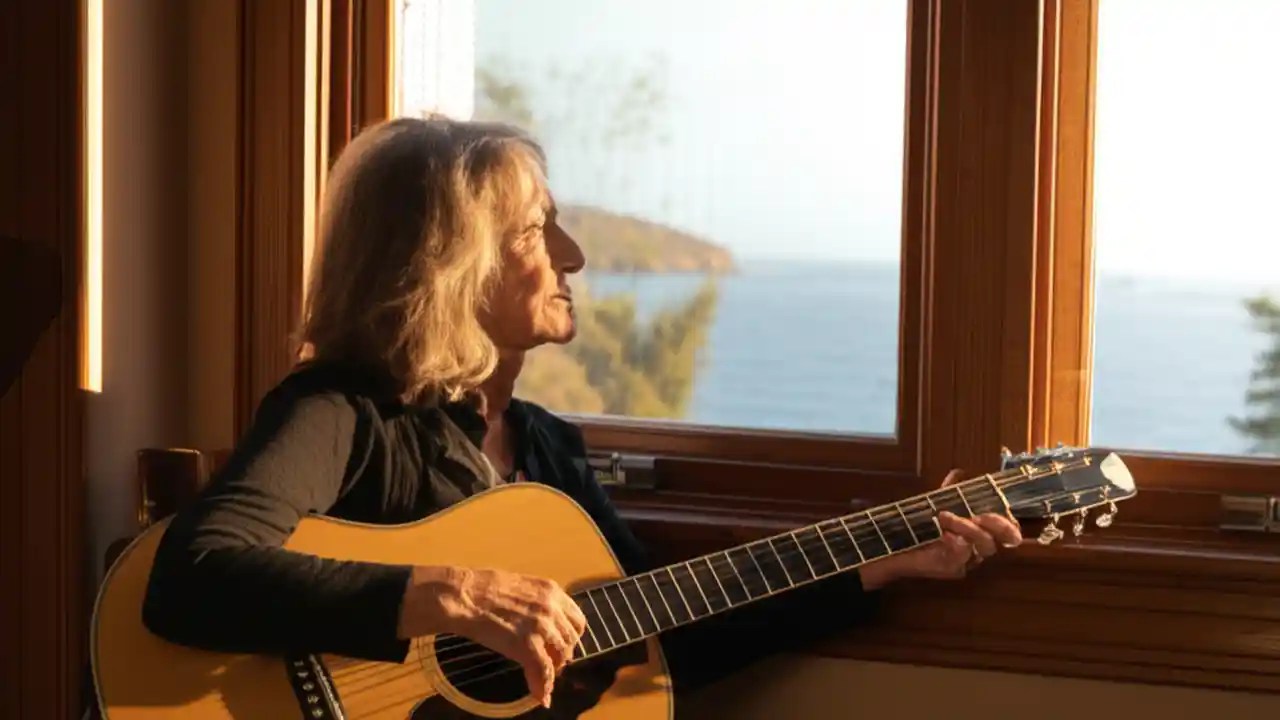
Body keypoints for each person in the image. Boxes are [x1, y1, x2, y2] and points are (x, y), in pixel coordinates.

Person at [142, 116, 1022, 711]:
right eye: (534, 232)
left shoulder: (550, 451)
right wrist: (449, 595)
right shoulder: (340, 409)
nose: (573, 255)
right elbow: (193, 576)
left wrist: (880, 559)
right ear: (450, 264)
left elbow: (660, 635)